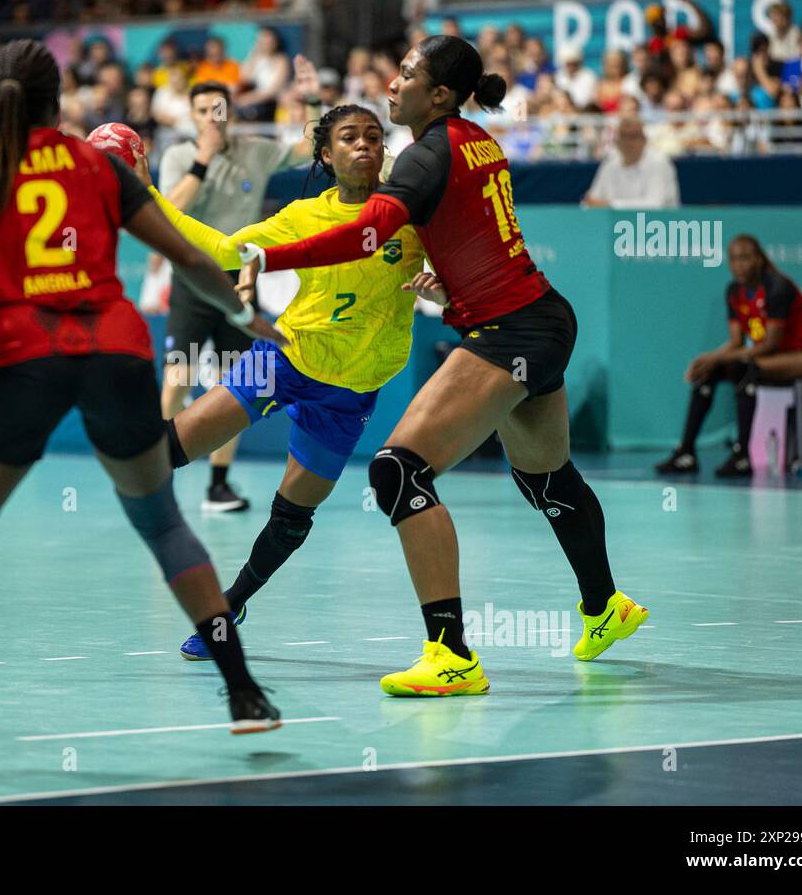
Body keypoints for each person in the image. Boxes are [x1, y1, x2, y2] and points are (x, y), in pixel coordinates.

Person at [0, 39, 284, 773]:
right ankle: (244, 693)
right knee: (163, 525)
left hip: (23, 359)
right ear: (57, 102)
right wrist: (245, 318)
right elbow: (189, 257)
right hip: (115, 353)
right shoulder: (99, 166)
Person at [236, 35, 648, 695]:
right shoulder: (473, 139)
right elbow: (468, 231)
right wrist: (452, 282)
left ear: (440, 95)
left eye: (406, 74)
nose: (392, 84)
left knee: (397, 470)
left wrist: (268, 256)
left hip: (510, 331)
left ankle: (451, 654)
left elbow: (366, 234)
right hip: (541, 319)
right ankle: (605, 607)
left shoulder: (426, 155)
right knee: (547, 479)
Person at [137, 104, 429, 658]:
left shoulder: (410, 214)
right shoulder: (303, 215)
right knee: (166, 450)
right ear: (327, 154)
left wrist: (441, 290)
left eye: (373, 136)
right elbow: (224, 249)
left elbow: (454, 273)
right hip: (287, 356)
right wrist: (146, 192)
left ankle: (231, 604)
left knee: (292, 519)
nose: (364, 145)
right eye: (349, 137)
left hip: (351, 391)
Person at [158, 68, 319, 511]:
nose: (211, 117)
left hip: (239, 282)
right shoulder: (178, 156)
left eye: (218, 109)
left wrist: (312, 101)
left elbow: (309, 147)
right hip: (192, 277)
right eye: (202, 111)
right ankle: (157, 475)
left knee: (234, 383)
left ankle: (218, 486)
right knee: (178, 378)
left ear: (229, 113)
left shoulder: (256, 150)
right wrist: (204, 158)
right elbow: (168, 210)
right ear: (191, 116)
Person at [655, 235, 802, 477]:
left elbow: (770, 344)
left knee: (745, 368)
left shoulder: (778, 286)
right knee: (708, 372)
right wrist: (708, 360)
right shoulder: (734, 291)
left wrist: (716, 358)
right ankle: (686, 452)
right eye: (733, 259)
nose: (739, 265)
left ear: (758, 260)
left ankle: (743, 456)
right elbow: (736, 342)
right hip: (772, 359)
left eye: (745, 258)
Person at [581, 117, 681, 208]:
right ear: (616, 140)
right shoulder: (609, 163)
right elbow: (592, 201)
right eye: (623, 136)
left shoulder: (659, 162)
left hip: (657, 221)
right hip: (614, 221)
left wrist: (611, 205)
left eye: (633, 136)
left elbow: (654, 205)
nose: (628, 142)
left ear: (644, 140)